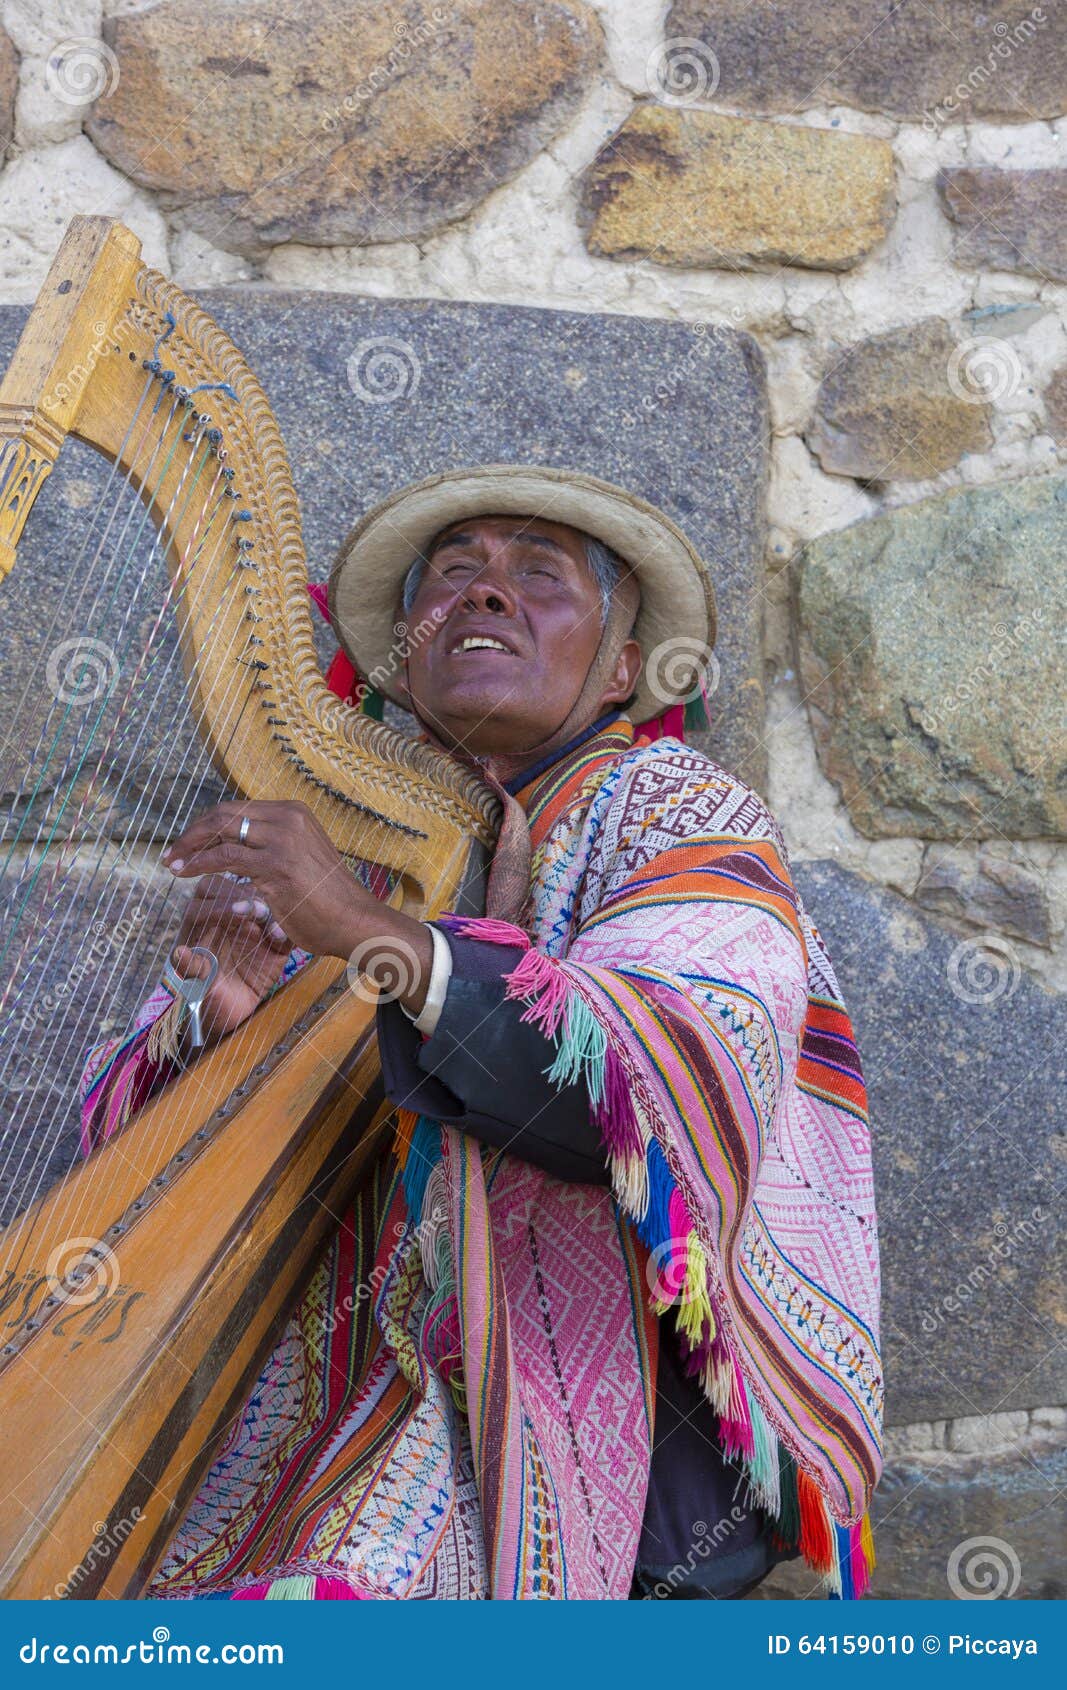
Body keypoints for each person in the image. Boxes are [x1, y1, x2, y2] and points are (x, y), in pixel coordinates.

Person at [80, 465, 883, 1601]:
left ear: (618, 667)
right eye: (454, 573)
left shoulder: (676, 812)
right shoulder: (342, 848)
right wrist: (214, 1029)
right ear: (405, 653)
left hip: (621, 1426)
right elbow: (123, 1181)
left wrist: (365, 933)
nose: (486, 595)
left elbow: (649, 1088)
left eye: (539, 575)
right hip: (339, 1392)